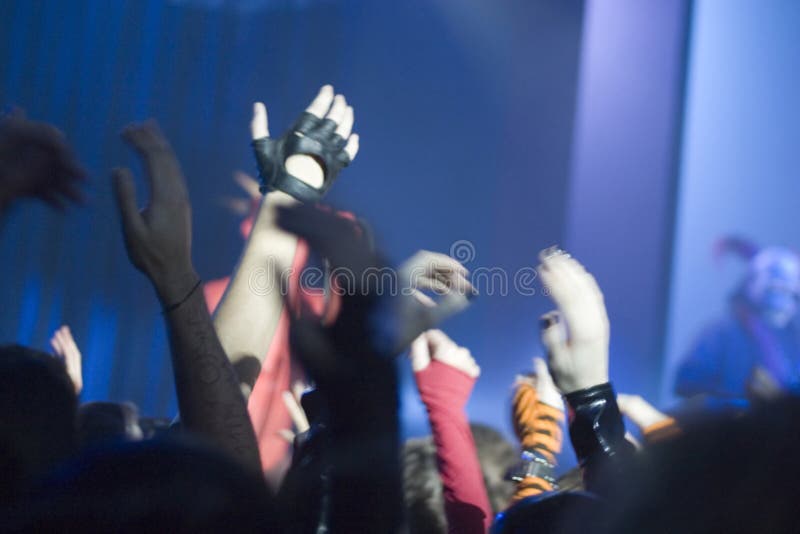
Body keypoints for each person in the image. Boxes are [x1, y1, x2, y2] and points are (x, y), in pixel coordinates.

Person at [675, 238, 800, 403]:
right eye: (775, 289)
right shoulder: (721, 335)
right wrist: (744, 405)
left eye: (788, 292)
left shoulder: (792, 341)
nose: (781, 301)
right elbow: (688, 386)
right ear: (751, 284)